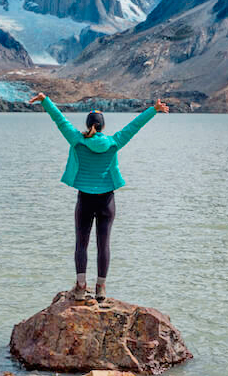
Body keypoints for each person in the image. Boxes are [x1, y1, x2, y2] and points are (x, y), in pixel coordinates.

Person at [29, 92, 169, 302]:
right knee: (104, 244)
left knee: (81, 244)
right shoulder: (114, 142)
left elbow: (60, 120)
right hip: (107, 201)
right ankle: (101, 289)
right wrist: (153, 110)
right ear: (102, 126)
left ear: (88, 125)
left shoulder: (76, 140)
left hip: (85, 199)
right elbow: (134, 126)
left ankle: (80, 287)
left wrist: (45, 100)